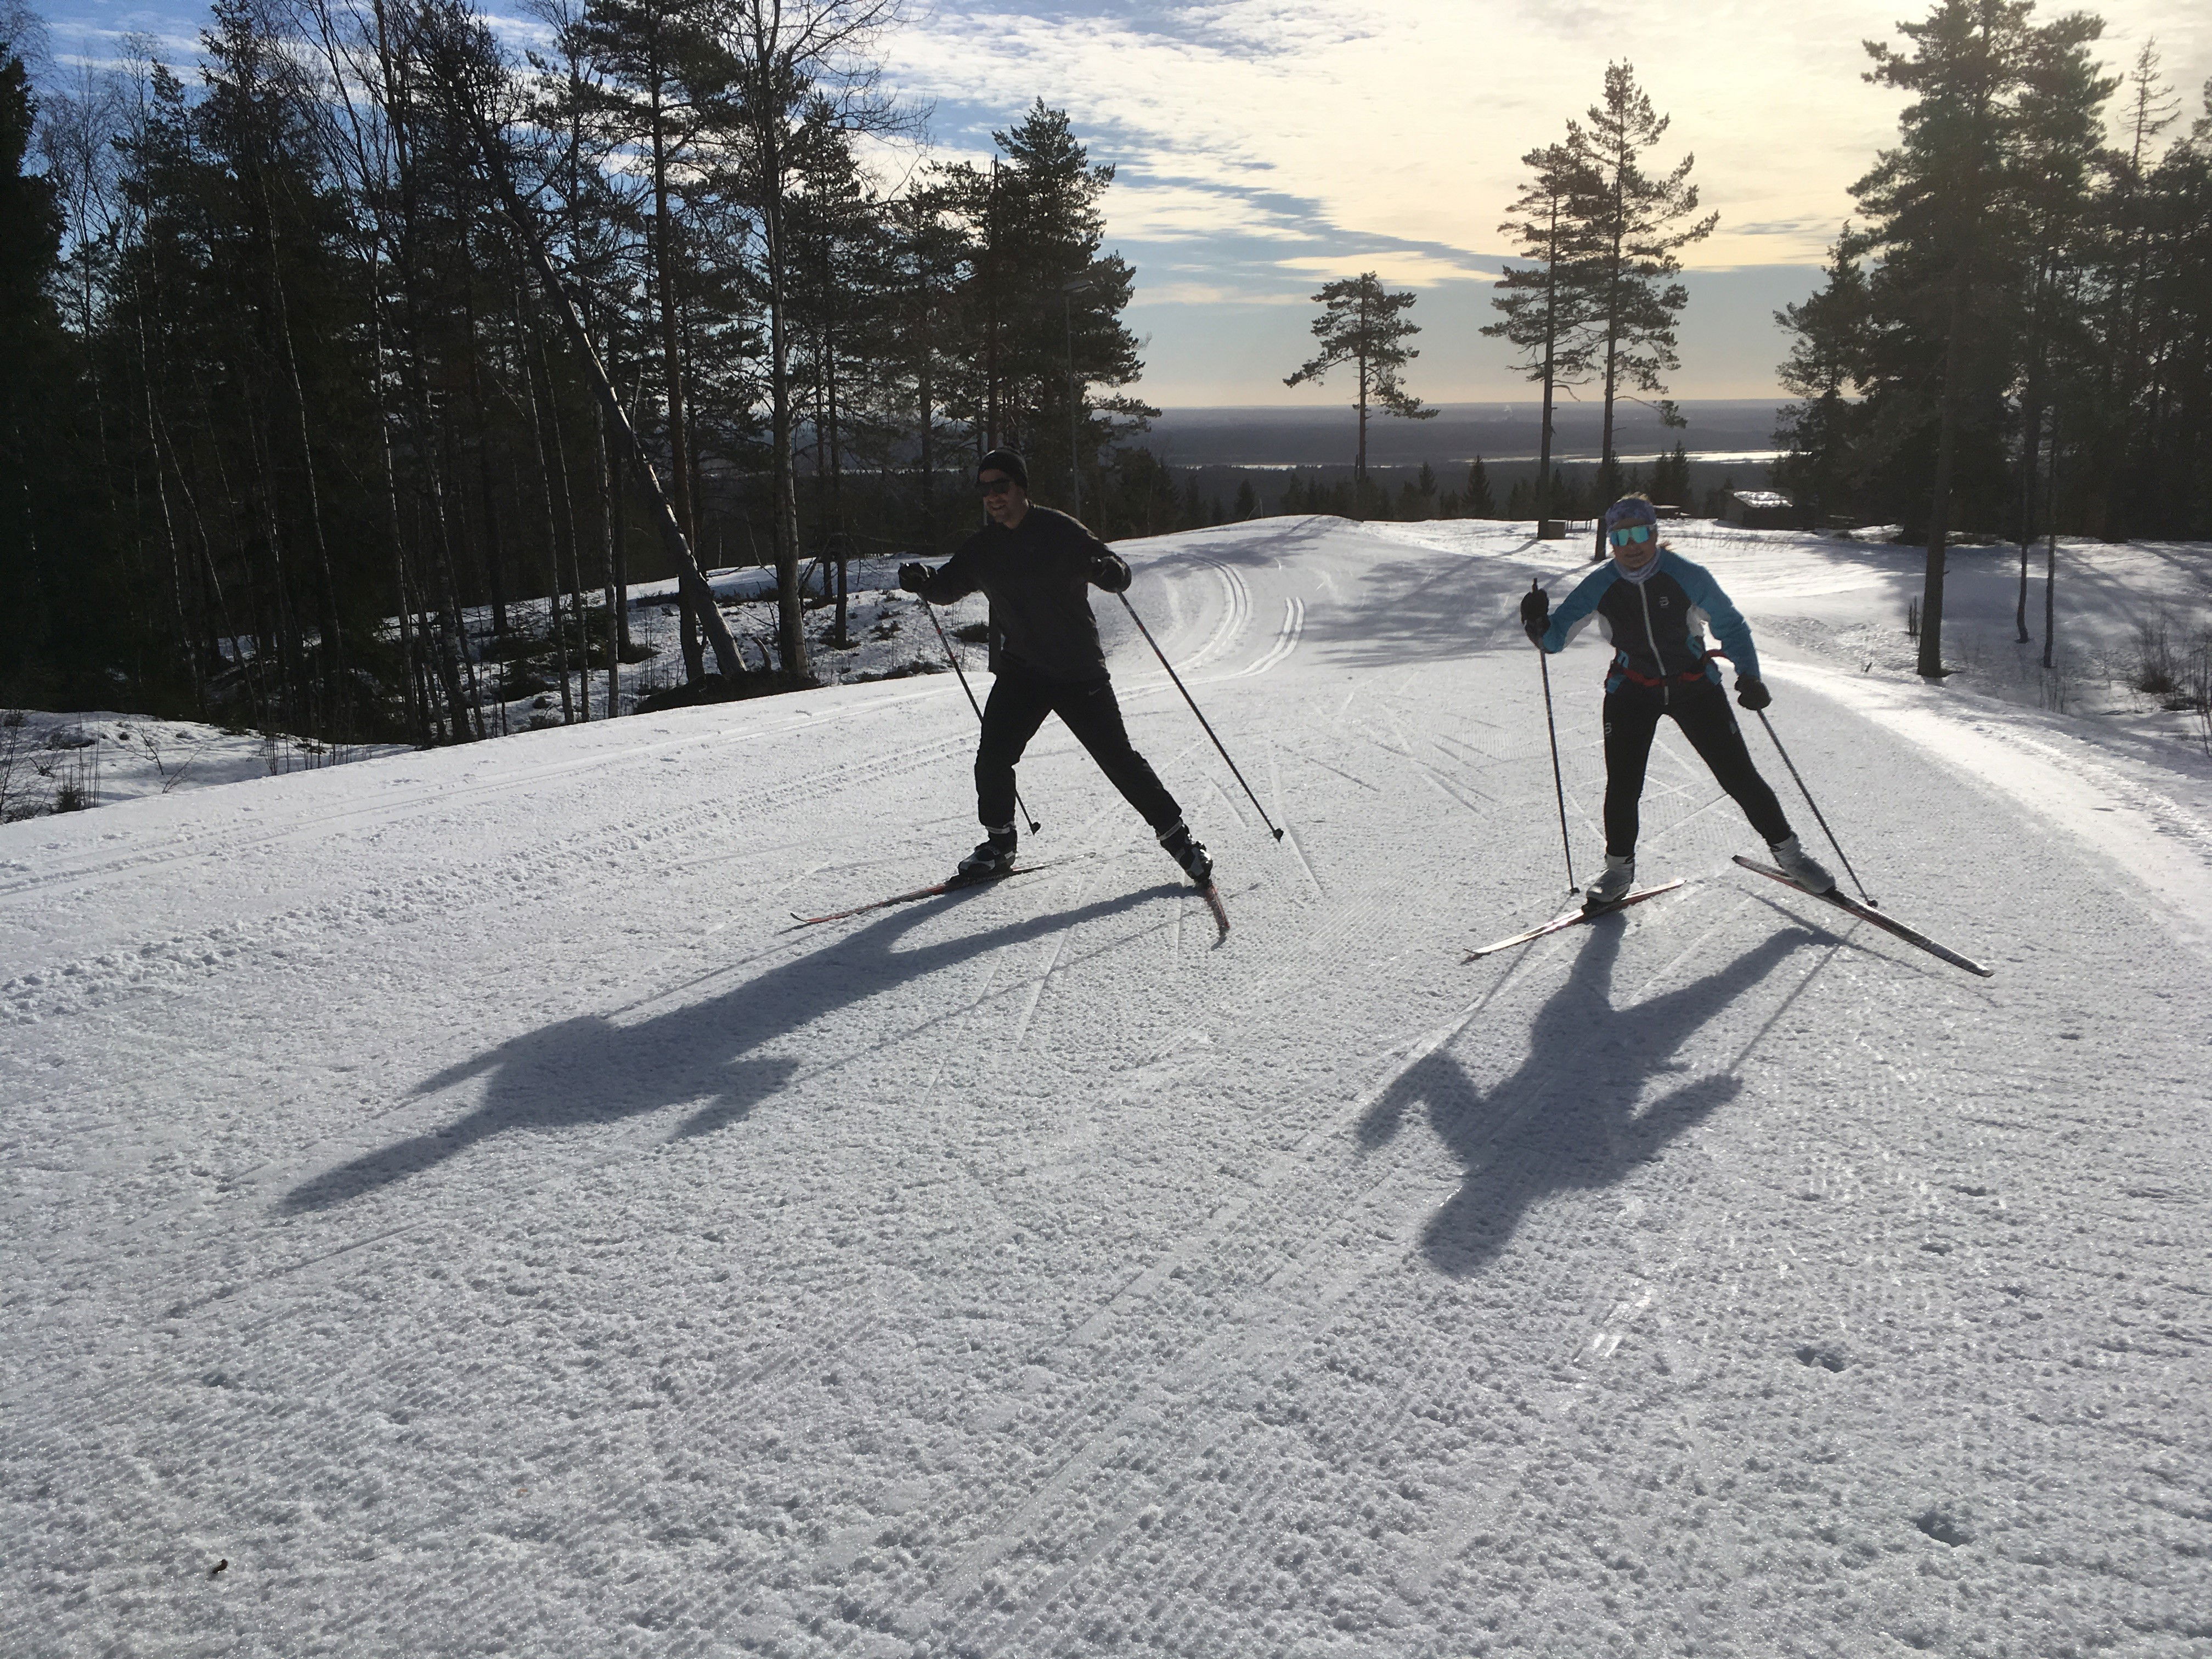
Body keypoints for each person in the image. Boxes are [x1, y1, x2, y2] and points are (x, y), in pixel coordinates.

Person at [899, 448, 1214, 888]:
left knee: (1118, 760)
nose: (992, 496)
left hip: (1077, 670)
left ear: (1021, 489)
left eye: (1001, 486)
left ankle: (1179, 839)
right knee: (992, 758)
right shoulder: (984, 548)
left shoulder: (1060, 531)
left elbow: (1117, 570)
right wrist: (922, 582)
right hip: (1023, 671)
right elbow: (947, 587)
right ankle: (999, 845)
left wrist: (1110, 572)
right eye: (985, 488)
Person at [1519, 494, 1833, 907]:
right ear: (1612, 541)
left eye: (1640, 533)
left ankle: (1791, 856)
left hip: (1694, 687)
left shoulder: (1688, 576)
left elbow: (1731, 626)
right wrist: (1535, 621)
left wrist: (1750, 676)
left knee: (1739, 777)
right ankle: (1617, 872)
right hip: (1632, 690)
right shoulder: (1600, 585)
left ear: (1654, 533)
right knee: (1623, 787)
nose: (1632, 545)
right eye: (1621, 536)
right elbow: (1554, 640)